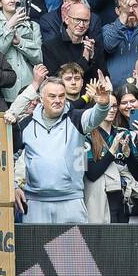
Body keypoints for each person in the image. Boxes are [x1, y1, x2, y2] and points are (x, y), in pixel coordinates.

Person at [9, 74, 107, 224]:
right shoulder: (26, 124)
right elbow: (7, 156)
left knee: (68, 249)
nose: (57, 100)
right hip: (35, 203)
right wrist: (14, 186)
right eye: (52, 96)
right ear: (41, 99)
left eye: (61, 96)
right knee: (36, 248)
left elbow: (95, 117)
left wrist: (102, 105)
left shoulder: (76, 118)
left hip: (71, 201)